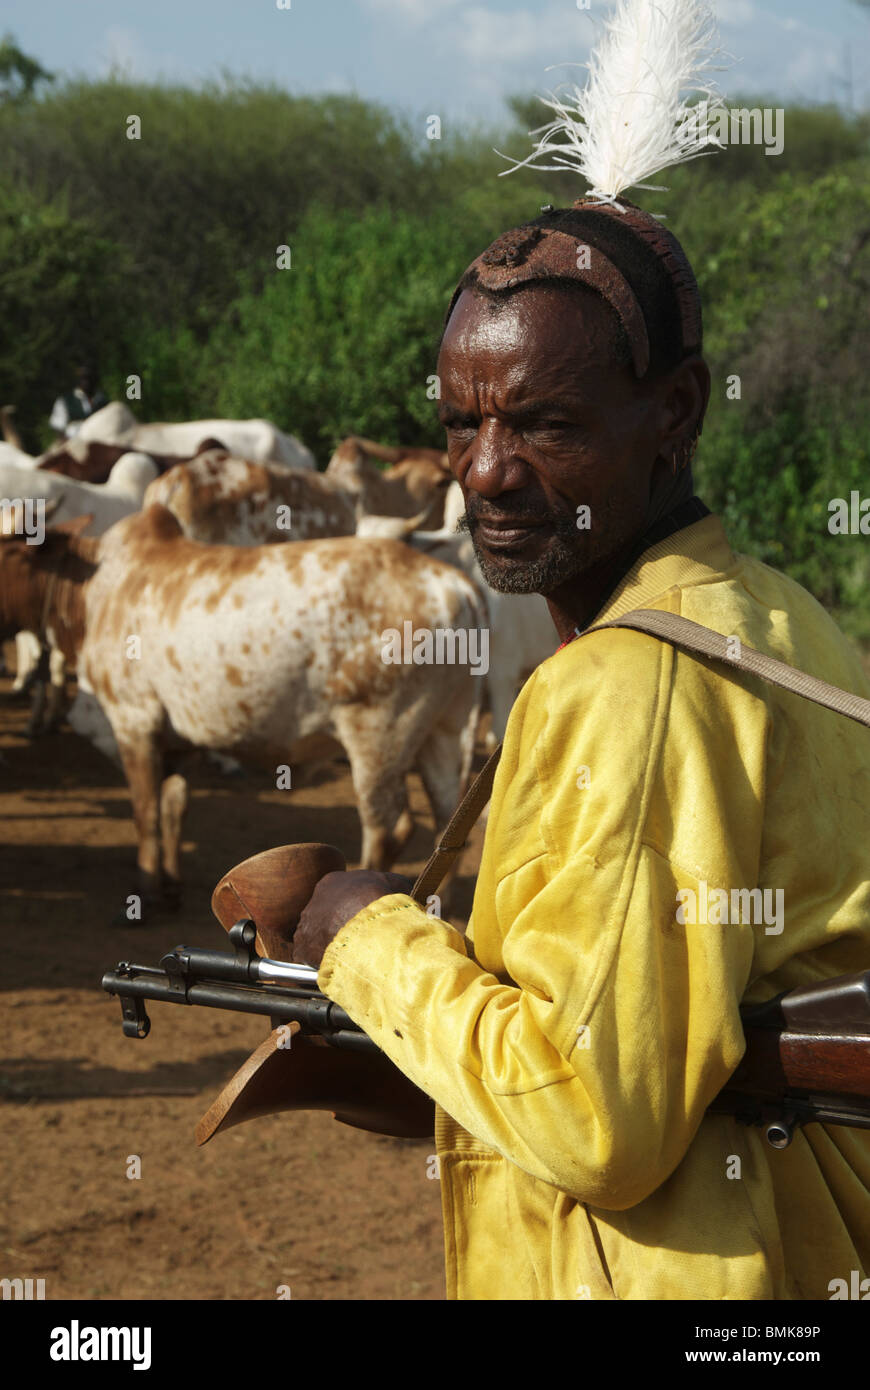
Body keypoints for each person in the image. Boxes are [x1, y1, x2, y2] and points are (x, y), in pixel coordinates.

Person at [290, 2, 870, 1299]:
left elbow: (594, 1118)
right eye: (460, 422)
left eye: (545, 424)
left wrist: (363, 933)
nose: (485, 474)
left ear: (673, 412)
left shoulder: (628, 688)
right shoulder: (778, 615)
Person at [49, 363, 107, 439]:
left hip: (100, 442)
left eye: (89, 377)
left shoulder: (103, 401)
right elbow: (59, 427)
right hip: (74, 443)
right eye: (83, 378)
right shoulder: (65, 401)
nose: (86, 381)